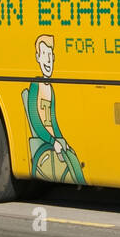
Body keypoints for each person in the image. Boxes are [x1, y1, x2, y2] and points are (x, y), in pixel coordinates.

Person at [26, 35, 84, 184]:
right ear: (38, 57)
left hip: (52, 140)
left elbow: (53, 122)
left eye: (50, 55)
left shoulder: (50, 89)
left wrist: (62, 140)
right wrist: (53, 141)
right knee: (68, 161)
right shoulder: (35, 86)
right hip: (42, 141)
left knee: (72, 157)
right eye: (44, 54)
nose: (48, 60)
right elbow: (35, 121)